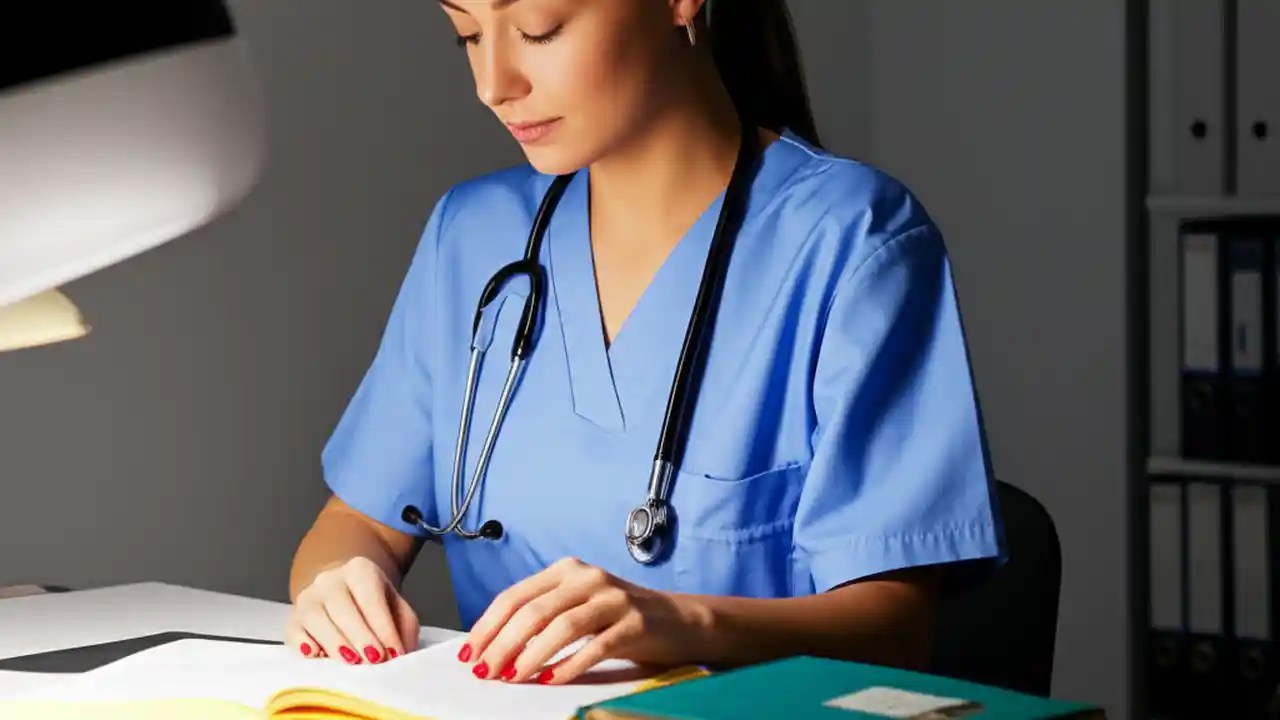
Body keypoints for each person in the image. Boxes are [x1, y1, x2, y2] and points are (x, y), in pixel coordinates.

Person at [286, 0, 1005, 686]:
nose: (493, 84)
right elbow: (357, 523)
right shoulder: (472, 237)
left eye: (539, 30)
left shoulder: (852, 242)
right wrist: (342, 583)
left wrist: (678, 622)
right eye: (468, 36)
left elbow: (894, 632)